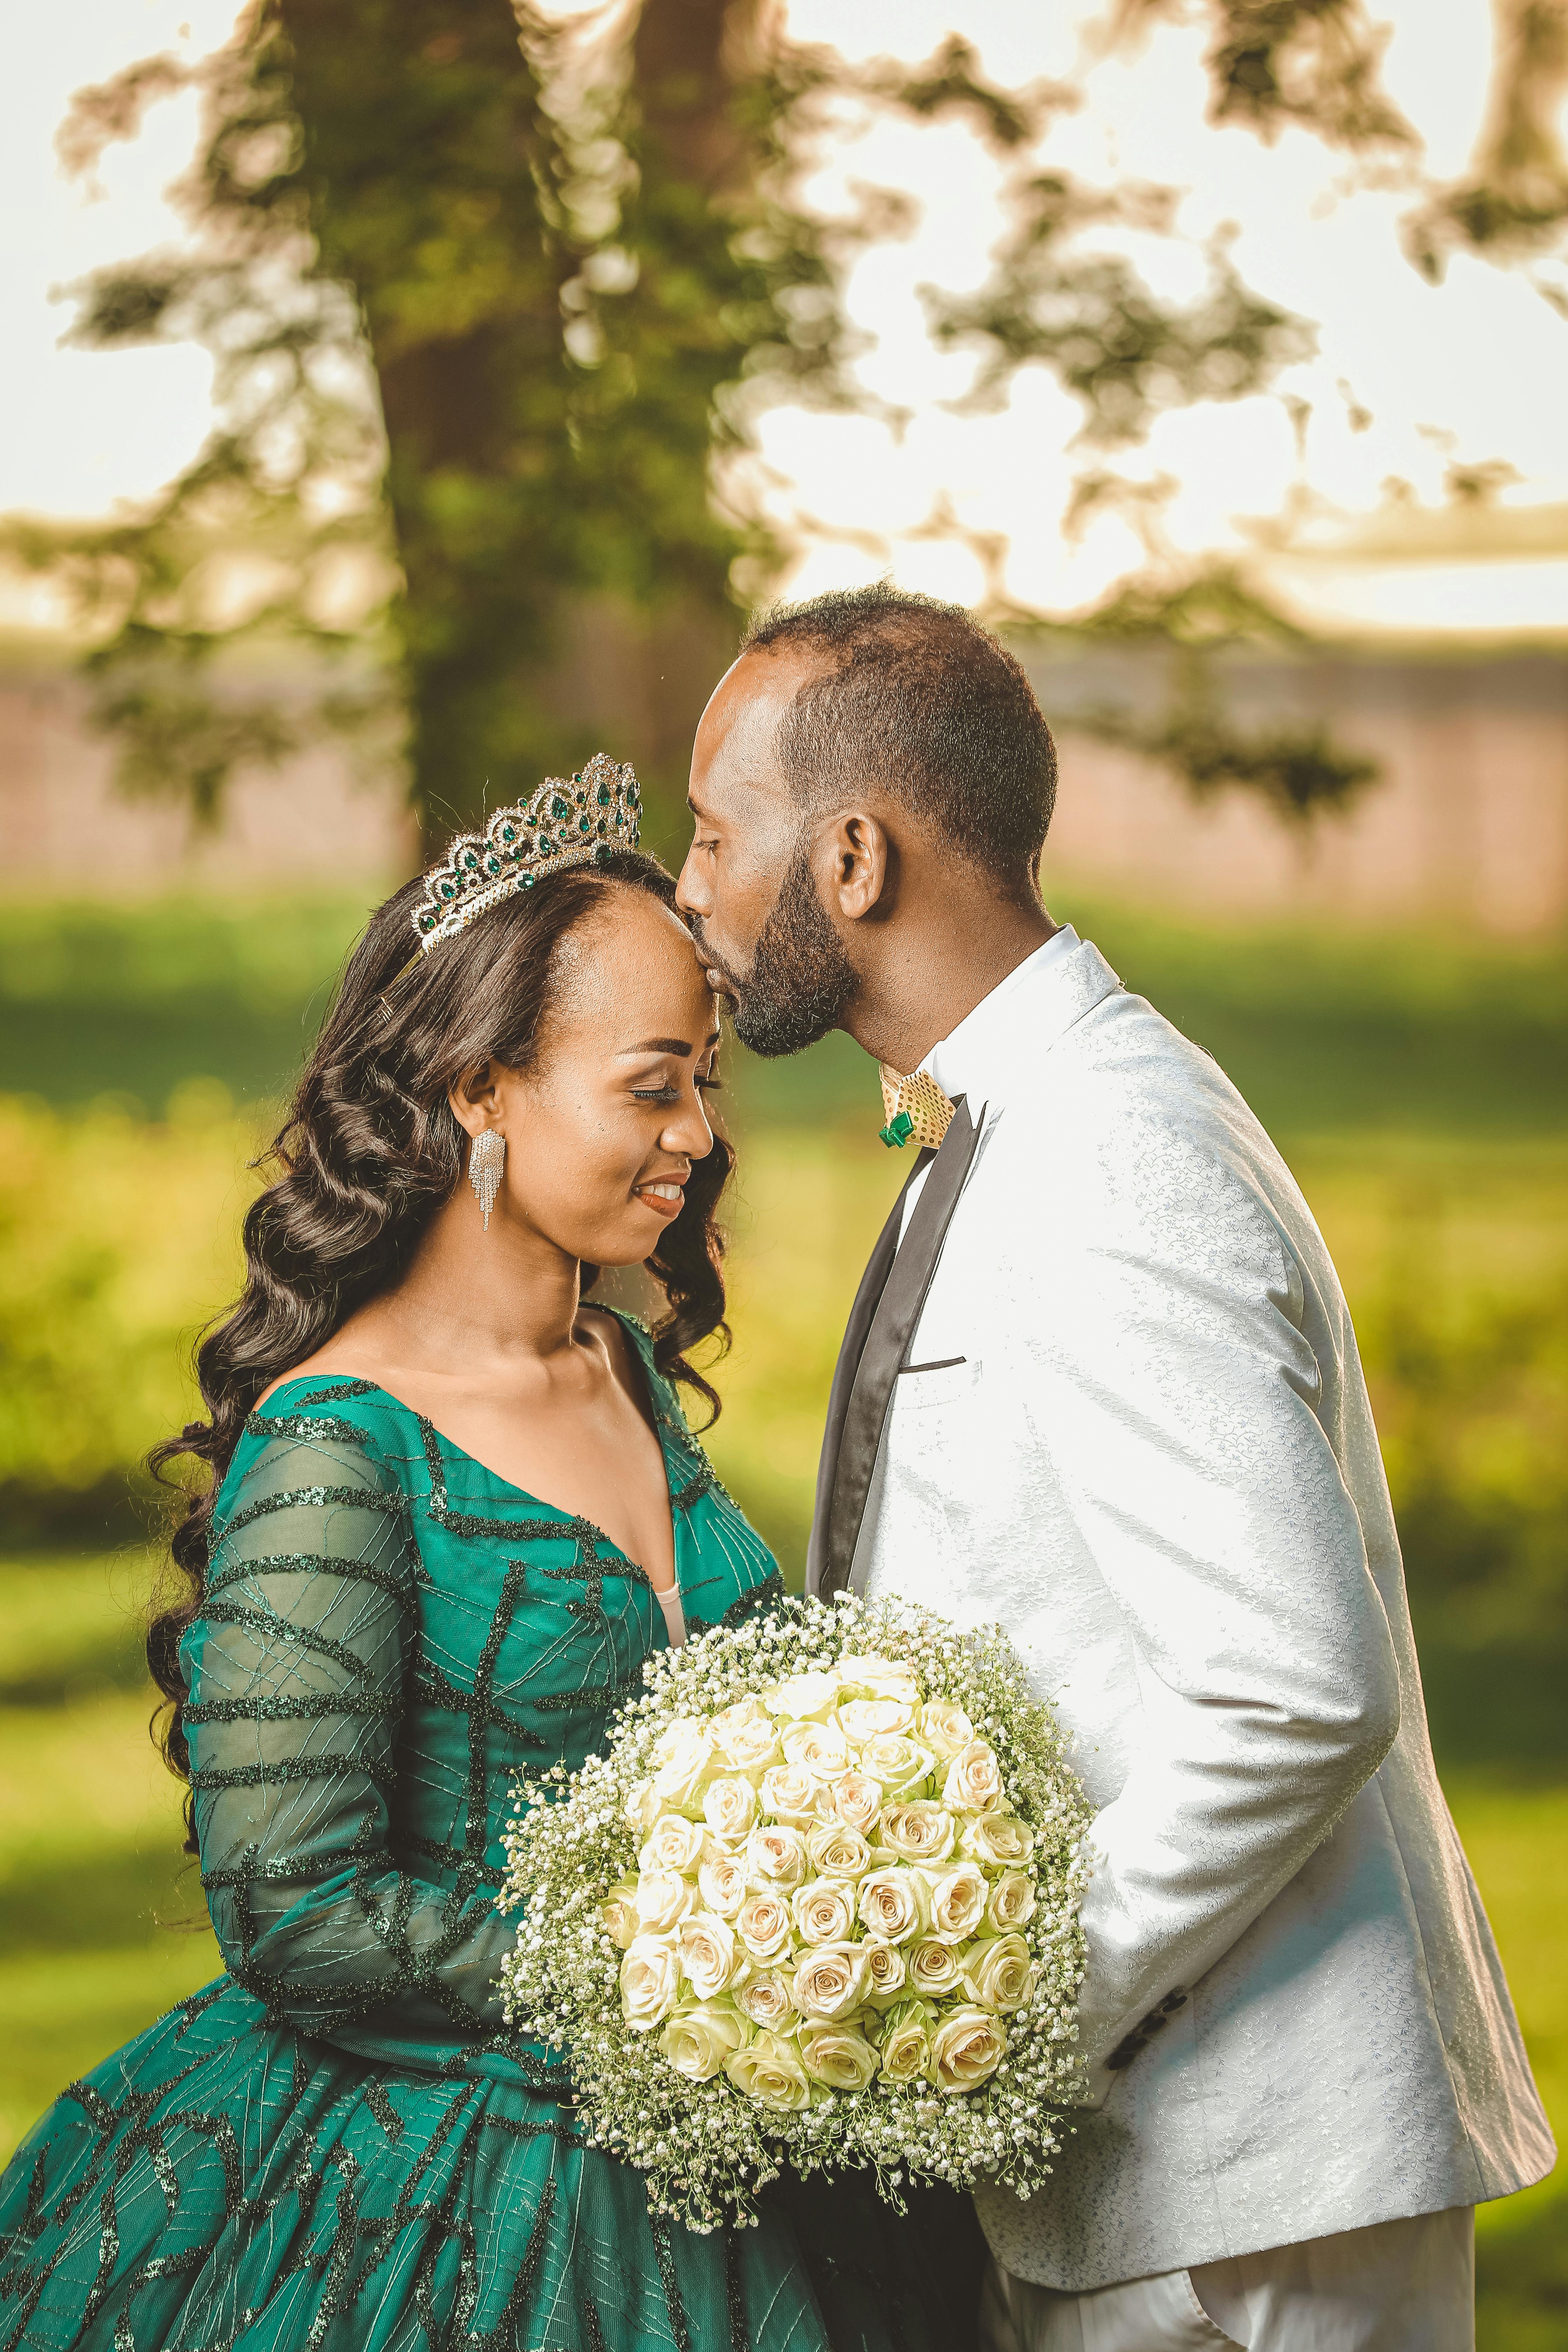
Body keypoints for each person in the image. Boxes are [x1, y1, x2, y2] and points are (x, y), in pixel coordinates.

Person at [0, 757, 983, 2352]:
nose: (695, 1135)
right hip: (455, 2186)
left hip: (752, 2152)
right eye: (650, 1087)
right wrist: (675, 1974)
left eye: (705, 1083)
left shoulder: (625, 1370)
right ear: (479, 1091)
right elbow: (299, 1908)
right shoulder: (341, 1447)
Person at [675, 591, 1556, 2352]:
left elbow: (1294, 1689)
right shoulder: (1012, 1119)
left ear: (851, 858)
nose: (690, 888)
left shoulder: (1106, 1157)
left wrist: (990, 2021)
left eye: (713, 834)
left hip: (1250, 2194)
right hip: (1167, 2190)